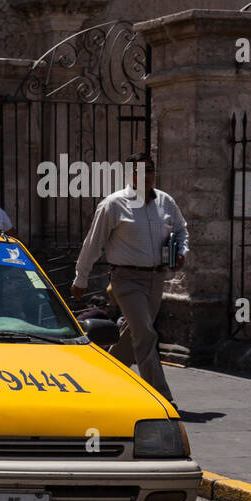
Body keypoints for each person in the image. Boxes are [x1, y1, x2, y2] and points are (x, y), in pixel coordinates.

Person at [72, 153, 189, 407]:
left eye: (150, 170)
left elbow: (181, 229)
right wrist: (81, 277)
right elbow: (93, 243)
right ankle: (161, 397)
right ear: (129, 174)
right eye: (139, 171)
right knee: (146, 334)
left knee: (132, 334)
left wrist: (181, 251)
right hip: (126, 278)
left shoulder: (165, 202)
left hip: (156, 278)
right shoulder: (113, 204)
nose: (145, 176)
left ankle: (103, 379)